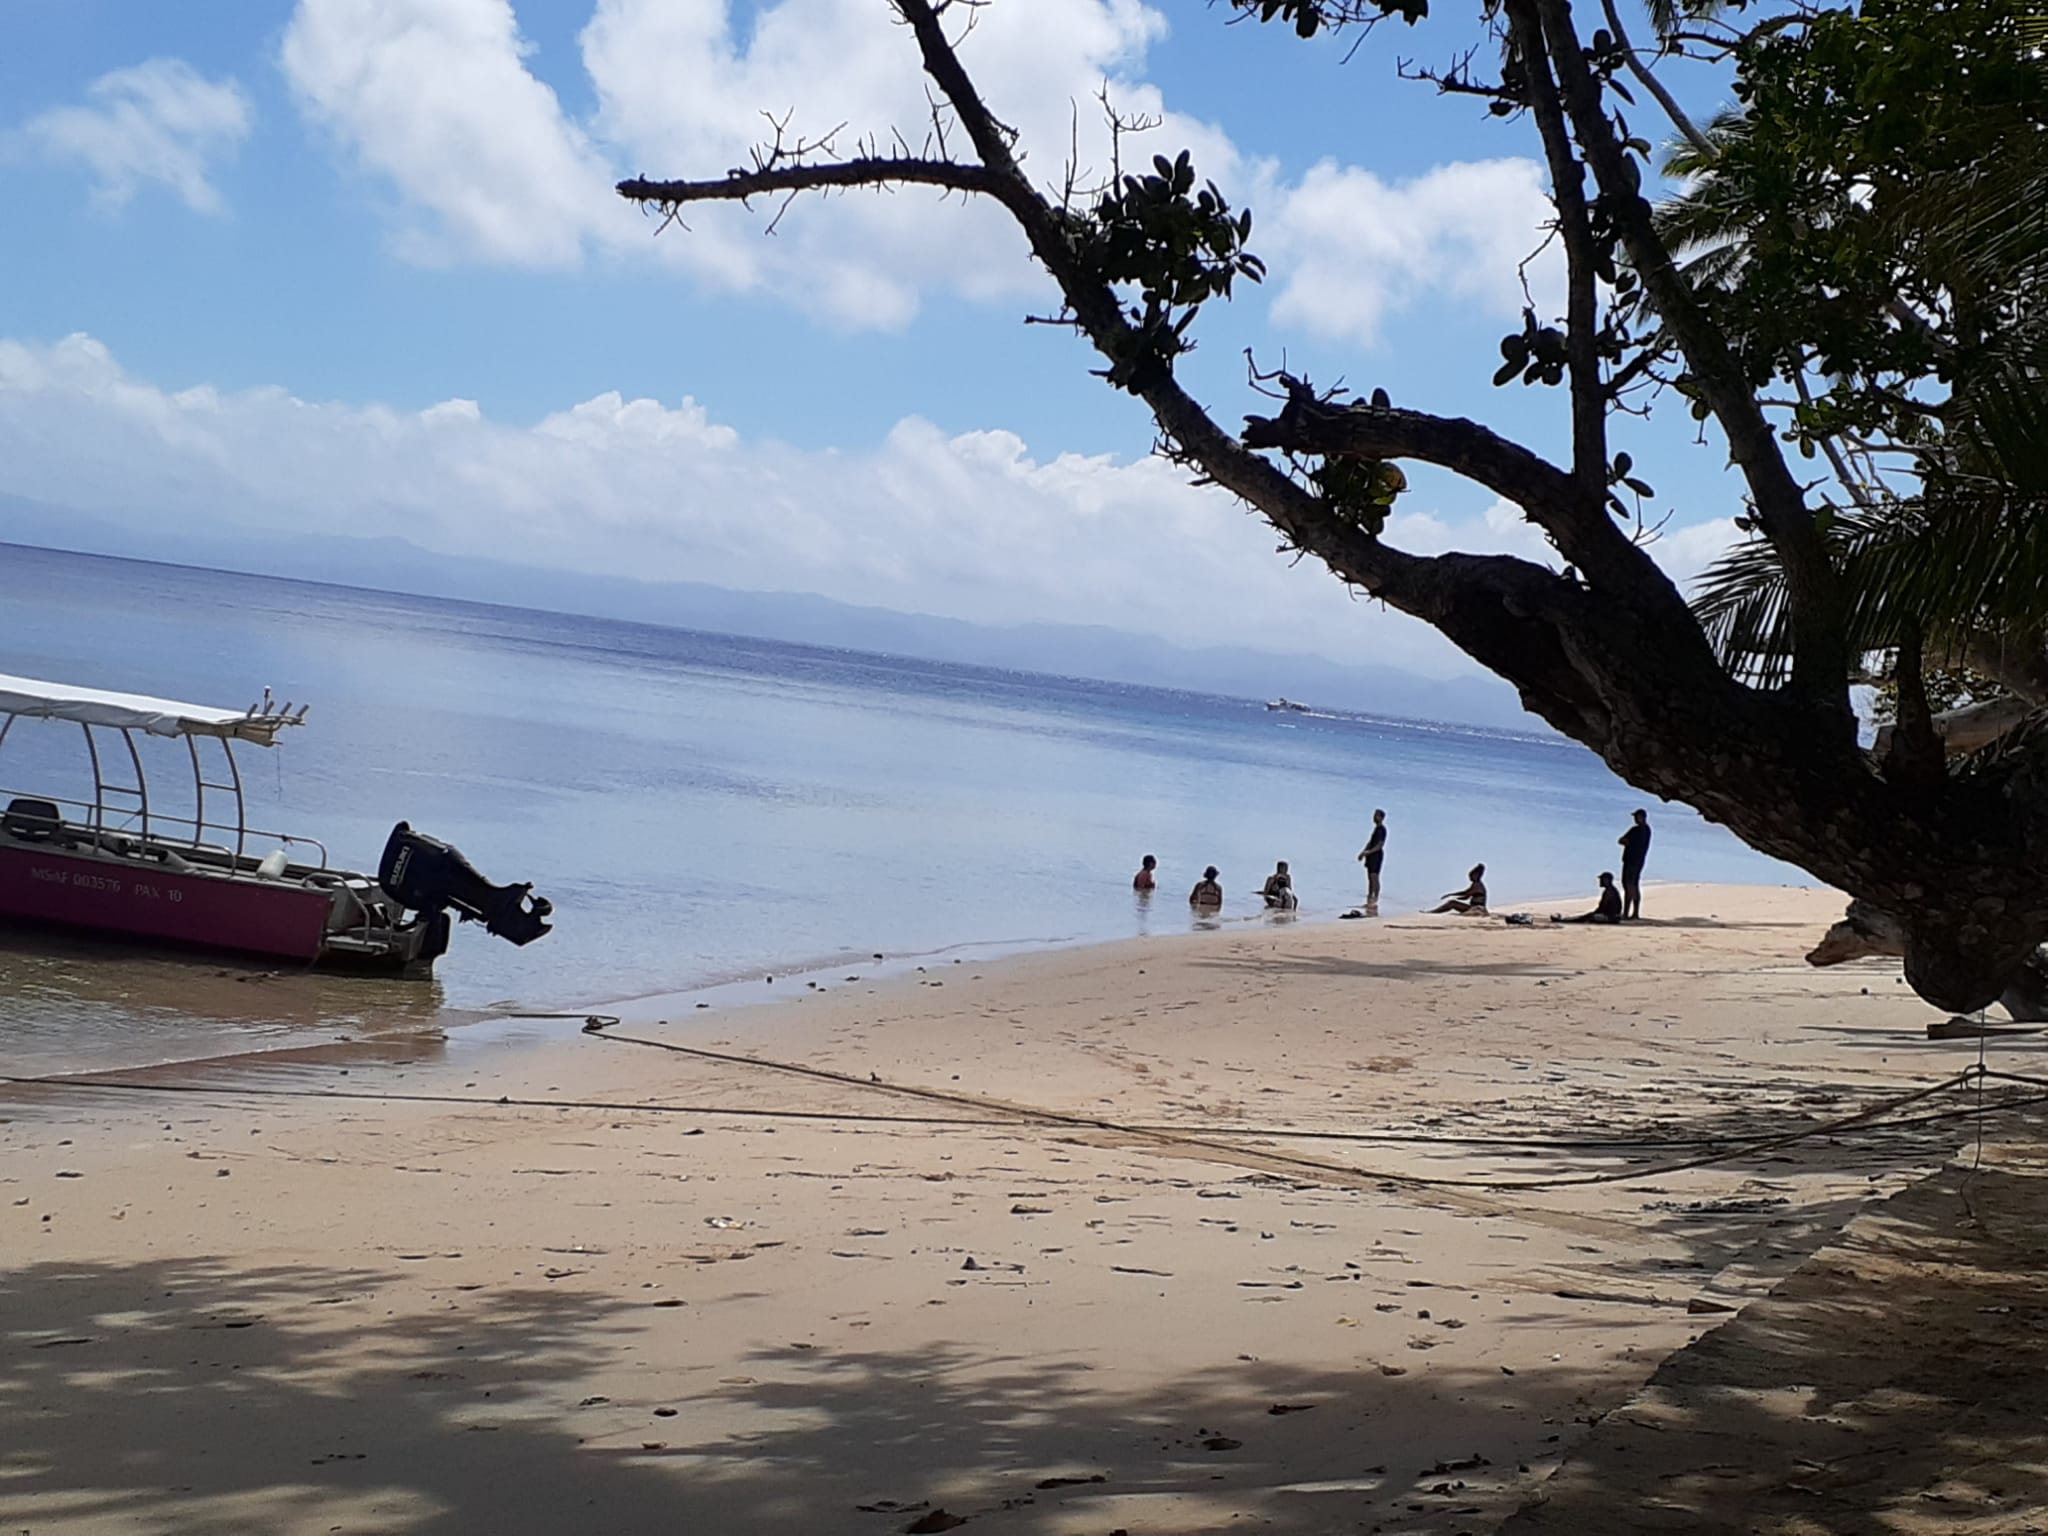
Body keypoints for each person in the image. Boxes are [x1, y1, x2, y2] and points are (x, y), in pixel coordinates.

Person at [1552, 871, 1622, 924]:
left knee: (1588, 917)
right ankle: (1566, 920)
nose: (1600, 882)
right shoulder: (1611, 890)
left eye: (1602, 879)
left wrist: (1594, 913)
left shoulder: (1609, 892)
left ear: (1607, 880)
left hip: (1610, 917)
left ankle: (1564, 921)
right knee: (1587, 916)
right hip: (1613, 916)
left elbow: (1603, 907)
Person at [1618, 808, 1651, 920]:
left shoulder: (1636, 830)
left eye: (1636, 817)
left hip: (1631, 860)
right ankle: (1635, 912)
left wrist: (1628, 843)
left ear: (1642, 817)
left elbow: (1621, 840)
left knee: (1629, 885)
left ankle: (1626, 912)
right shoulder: (1647, 830)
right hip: (1639, 860)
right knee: (1634, 885)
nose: (1635, 819)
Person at [1356, 809, 1387, 913]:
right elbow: (1371, 842)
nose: (1374, 817)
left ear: (1381, 817)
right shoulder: (1376, 829)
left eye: (1376, 816)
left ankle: (1375, 900)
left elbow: (1380, 845)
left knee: (1375, 877)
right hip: (1370, 855)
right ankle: (1369, 899)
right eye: (1374, 815)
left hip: (1376, 855)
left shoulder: (1382, 829)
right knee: (1369, 878)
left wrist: (1369, 852)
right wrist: (1363, 852)